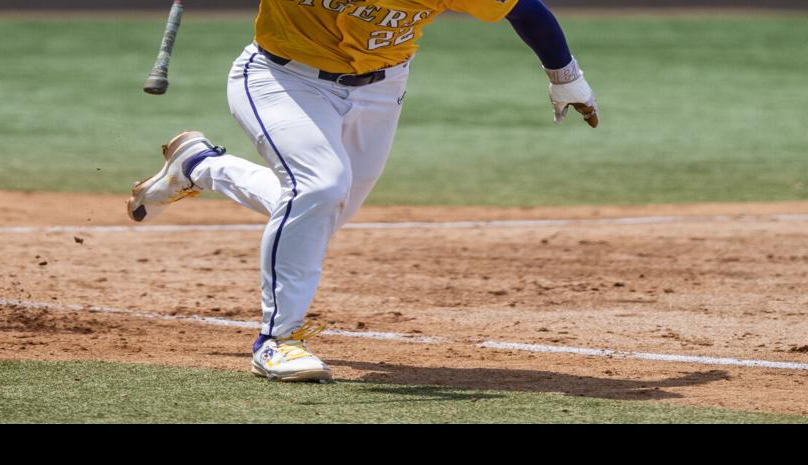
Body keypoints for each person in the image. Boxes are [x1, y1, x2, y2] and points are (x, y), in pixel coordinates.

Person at [128, 0, 598, 382]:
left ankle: (200, 165)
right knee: (320, 187)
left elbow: (527, 10)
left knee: (321, 210)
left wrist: (566, 78)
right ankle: (277, 341)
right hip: (279, 79)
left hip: (381, 88)